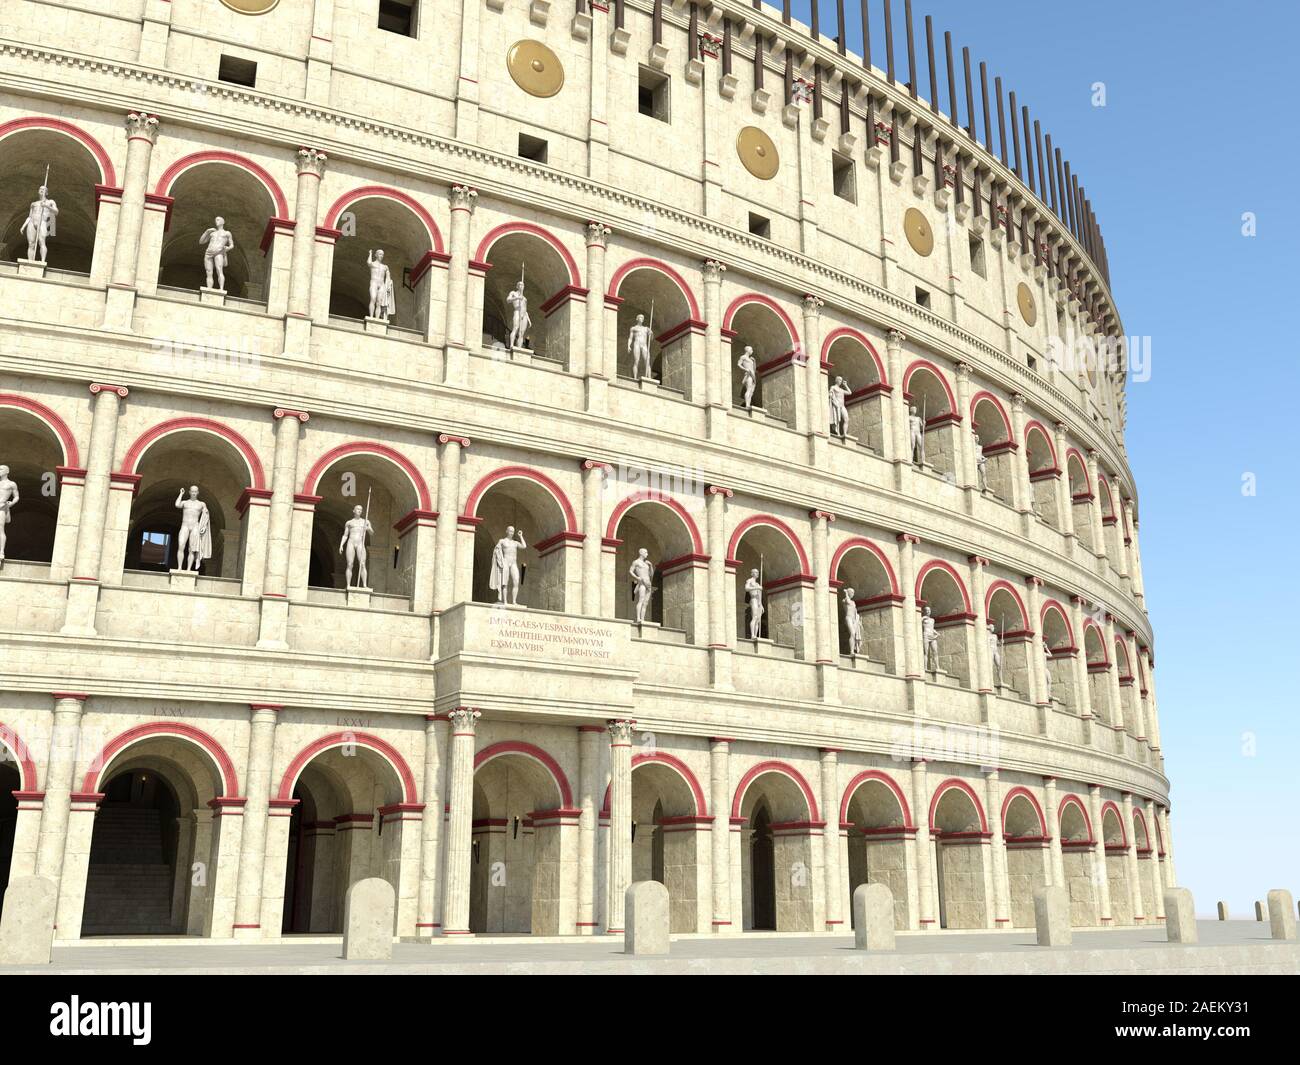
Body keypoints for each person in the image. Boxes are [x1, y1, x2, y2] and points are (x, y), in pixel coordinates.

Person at [174, 485, 212, 572]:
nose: (194, 493)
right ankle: (179, 567)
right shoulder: (184, 502)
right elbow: (177, 504)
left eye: (195, 491)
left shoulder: (201, 504)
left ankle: (188, 569)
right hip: (185, 525)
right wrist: (181, 494)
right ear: (190, 492)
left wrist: (204, 526)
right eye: (192, 491)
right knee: (181, 545)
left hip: (195, 526)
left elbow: (206, 516)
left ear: (198, 493)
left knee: (192, 549)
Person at [490, 526, 527, 605]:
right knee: (505, 582)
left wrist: (520, 536)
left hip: (513, 563)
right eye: (510, 531)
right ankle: (505, 601)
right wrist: (499, 558)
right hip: (506, 562)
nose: (511, 533)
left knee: (516, 581)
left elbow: (524, 546)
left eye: (513, 531)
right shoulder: (502, 541)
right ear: (506, 531)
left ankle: (514, 601)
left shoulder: (515, 543)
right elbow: (496, 550)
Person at [21, 184, 58, 262]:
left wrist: (46, 206)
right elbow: (29, 216)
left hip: (42, 222)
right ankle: (30, 261)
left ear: (47, 193)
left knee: (42, 242)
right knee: (31, 243)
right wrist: (23, 226)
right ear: (38, 191)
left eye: (44, 189)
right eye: (40, 189)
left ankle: (42, 261)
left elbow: (56, 212)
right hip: (32, 222)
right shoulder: (33, 203)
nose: (41, 190)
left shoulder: (50, 201)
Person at [339, 504, 374, 588]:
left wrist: (368, 528)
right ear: (354, 511)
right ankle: (348, 584)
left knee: (362, 564)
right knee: (350, 564)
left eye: (361, 510)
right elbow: (345, 535)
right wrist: (341, 545)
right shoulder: (349, 522)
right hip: (351, 542)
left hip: (360, 543)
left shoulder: (366, 521)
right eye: (357, 509)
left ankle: (364, 585)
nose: (359, 511)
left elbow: (372, 533)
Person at [199, 217, 235, 290]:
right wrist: (207, 231)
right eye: (215, 220)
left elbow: (232, 245)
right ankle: (209, 288)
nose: (216, 221)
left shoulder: (227, 233)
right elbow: (201, 242)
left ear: (223, 221)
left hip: (219, 252)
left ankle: (221, 289)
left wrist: (228, 248)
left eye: (218, 220)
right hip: (208, 252)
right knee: (209, 271)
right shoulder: (213, 233)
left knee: (219, 270)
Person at [367, 249, 395, 320]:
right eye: (380, 254)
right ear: (376, 255)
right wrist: (370, 253)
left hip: (382, 284)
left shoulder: (385, 267)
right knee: (373, 298)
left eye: (382, 254)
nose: (381, 256)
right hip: (374, 282)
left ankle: (377, 318)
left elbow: (388, 277)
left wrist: (388, 285)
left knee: (379, 302)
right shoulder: (373, 264)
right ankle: (371, 316)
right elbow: (369, 263)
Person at [629, 548, 654, 624]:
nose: (647, 554)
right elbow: (630, 571)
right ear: (641, 553)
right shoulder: (636, 562)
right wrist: (637, 577)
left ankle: (643, 618)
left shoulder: (646, 564)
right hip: (642, 583)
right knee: (641, 600)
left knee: (645, 603)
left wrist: (651, 566)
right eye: (646, 552)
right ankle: (638, 618)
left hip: (648, 583)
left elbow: (651, 575)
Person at [628, 314, 654, 381]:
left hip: (644, 345)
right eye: (640, 317)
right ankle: (635, 377)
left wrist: (651, 334)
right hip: (637, 344)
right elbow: (630, 338)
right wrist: (628, 345)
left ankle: (649, 378)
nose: (641, 319)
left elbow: (651, 339)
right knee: (636, 361)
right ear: (637, 318)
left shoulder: (646, 328)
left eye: (643, 317)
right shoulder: (633, 328)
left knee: (647, 361)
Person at [0, 465, 18, 562]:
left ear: (7, 471)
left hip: (2, 507)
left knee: (0, 529)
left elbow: (16, 496)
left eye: (1, 469)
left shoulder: (11, 484)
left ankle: (1, 551)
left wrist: (11, 504)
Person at [506, 281, 531, 349]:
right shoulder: (513, 293)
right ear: (517, 286)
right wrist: (517, 298)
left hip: (524, 315)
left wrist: (528, 319)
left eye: (523, 285)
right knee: (516, 328)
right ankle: (511, 344)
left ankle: (519, 347)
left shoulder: (524, 298)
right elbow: (508, 300)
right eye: (520, 285)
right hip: (517, 311)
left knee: (522, 332)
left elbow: (525, 309)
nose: (521, 286)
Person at [843, 586, 863, 656]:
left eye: (853, 592)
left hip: (853, 619)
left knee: (854, 634)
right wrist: (846, 593)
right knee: (852, 633)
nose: (853, 594)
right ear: (848, 592)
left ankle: (853, 650)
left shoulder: (853, 602)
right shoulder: (845, 600)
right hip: (848, 618)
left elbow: (855, 611)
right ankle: (851, 651)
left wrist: (858, 620)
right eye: (851, 592)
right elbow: (847, 602)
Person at [744, 568, 764, 639]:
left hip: (758, 601)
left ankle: (755, 635)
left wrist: (761, 604)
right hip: (753, 600)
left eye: (758, 572)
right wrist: (756, 588)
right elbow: (746, 588)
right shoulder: (749, 581)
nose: (757, 573)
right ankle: (752, 635)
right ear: (752, 573)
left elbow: (759, 595)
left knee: (758, 619)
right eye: (755, 572)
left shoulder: (757, 584)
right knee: (754, 617)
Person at [738, 346, 757, 410]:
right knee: (748, 389)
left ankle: (748, 403)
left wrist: (754, 362)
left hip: (753, 375)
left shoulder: (751, 359)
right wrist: (746, 369)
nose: (752, 351)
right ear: (747, 350)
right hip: (748, 375)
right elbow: (739, 364)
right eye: (751, 350)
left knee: (751, 391)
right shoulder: (743, 357)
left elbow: (754, 369)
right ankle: (747, 404)